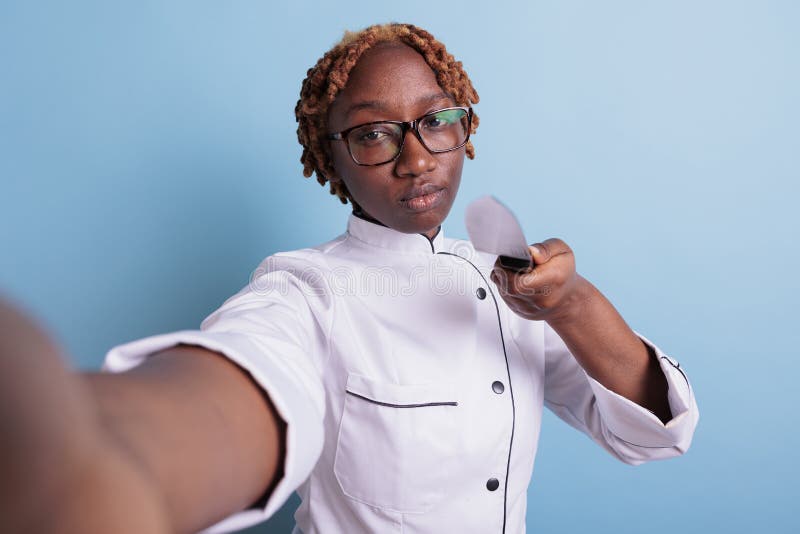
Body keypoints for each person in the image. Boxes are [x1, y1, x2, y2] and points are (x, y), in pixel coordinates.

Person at [0, 23, 698, 534]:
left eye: (434, 121)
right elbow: (246, 379)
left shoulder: (512, 286)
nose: (416, 157)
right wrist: (108, 461)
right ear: (330, 159)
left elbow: (651, 436)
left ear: (465, 126)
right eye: (372, 133)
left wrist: (571, 303)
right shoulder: (306, 292)